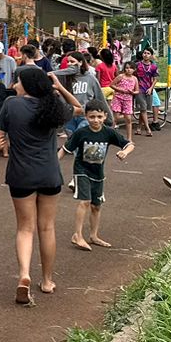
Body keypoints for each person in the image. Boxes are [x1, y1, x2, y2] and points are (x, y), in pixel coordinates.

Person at [0, 68, 82, 306]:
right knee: (47, 228)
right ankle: (47, 280)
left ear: (28, 85)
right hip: (49, 173)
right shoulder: (53, 107)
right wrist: (59, 87)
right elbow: (79, 109)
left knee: (25, 228)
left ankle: (24, 275)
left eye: (18, 81)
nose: (15, 85)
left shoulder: (11, 105)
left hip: (21, 174)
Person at [61, 104, 134, 250]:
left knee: (96, 206)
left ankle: (93, 236)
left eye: (99, 117)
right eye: (92, 117)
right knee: (85, 201)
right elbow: (65, 149)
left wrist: (125, 152)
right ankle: (77, 235)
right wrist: (51, 166)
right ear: (86, 116)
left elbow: (129, 144)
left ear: (105, 116)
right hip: (81, 170)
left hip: (98, 174)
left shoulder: (109, 133)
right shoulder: (81, 133)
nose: (96, 120)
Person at [109, 61, 141, 144]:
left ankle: (129, 138)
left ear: (134, 70)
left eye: (130, 68)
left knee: (128, 119)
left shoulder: (134, 79)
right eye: (127, 68)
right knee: (115, 118)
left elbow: (137, 90)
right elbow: (112, 84)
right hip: (118, 98)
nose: (128, 70)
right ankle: (109, 136)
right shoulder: (120, 76)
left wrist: (133, 92)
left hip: (128, 99)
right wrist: (120, 90)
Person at [134, 47, 160, 135]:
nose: (146, 55)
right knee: (143, 108)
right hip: (139, 89)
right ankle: (148, 129)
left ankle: (138, 128)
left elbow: (155, 79)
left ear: (151, 55)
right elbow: (133, 75)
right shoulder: (137, 65)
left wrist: (151, 88)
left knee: (143, 109)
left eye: (148, 53)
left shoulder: (153, 67)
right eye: (144, 53)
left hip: (148, 89)